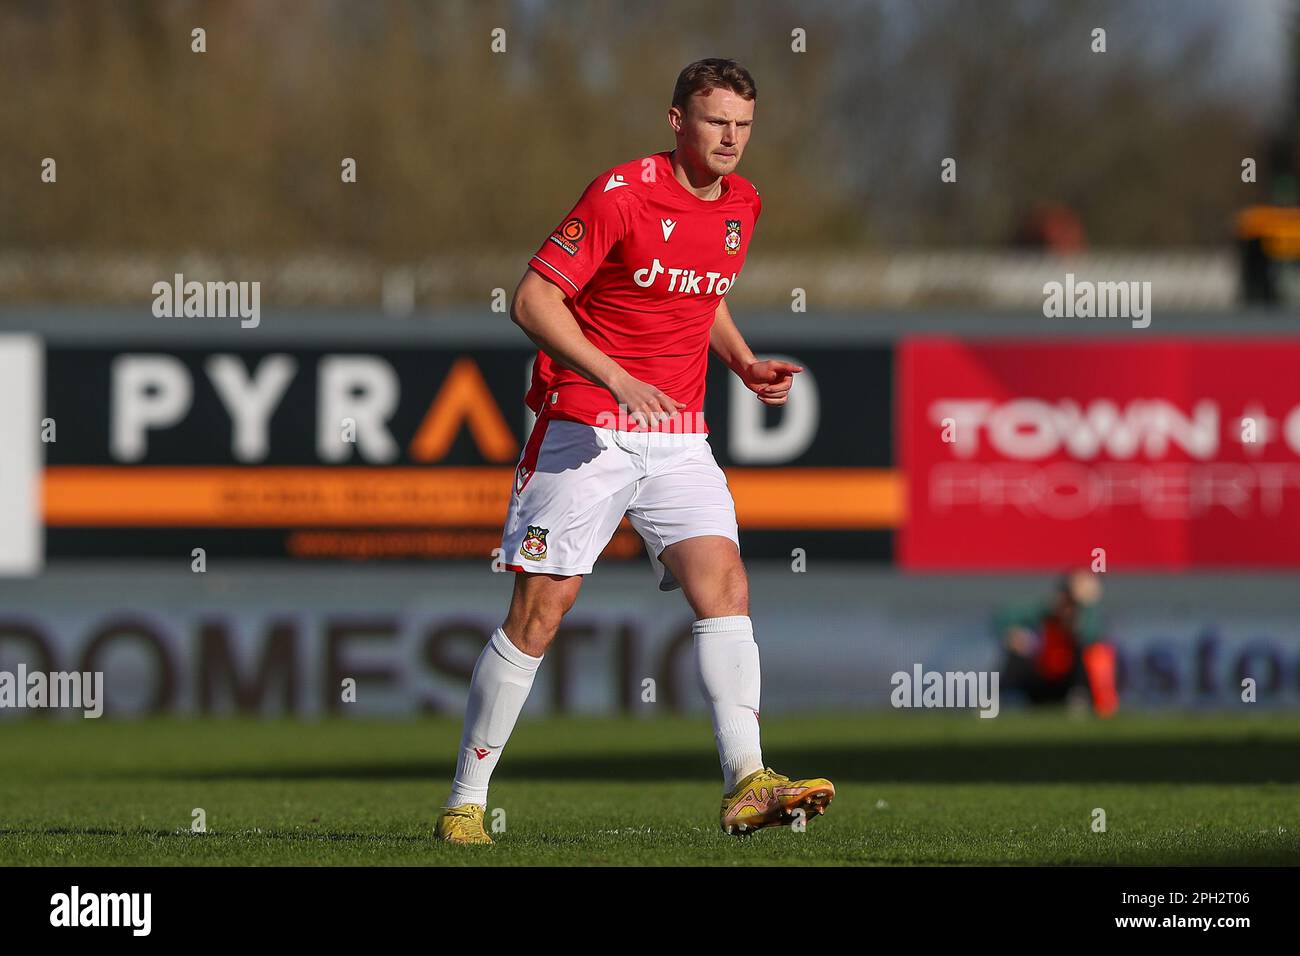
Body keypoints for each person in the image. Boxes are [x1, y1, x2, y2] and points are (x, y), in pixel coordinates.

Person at [434, 59, 834, 844]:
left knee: (724, 587)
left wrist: (743, 363)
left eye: (744, 125)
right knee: (542, 613)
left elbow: (702, 292)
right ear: (677, 120)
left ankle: (747, 780)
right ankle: (465, 802)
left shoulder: (743, 204)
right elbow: (533, 299)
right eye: (716, 121)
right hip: (587, 423)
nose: (731, 138)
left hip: (679, 433)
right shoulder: (621, 194)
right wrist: (616, 376)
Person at [996, 570, 1118, 716]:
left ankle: (1080, 701)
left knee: (1090, 653)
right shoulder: (1048, 611)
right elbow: (1004, 617)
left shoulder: (1089, 617)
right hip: (1043, 680)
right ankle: (991, 700)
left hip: (1070, 684)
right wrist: (1014, 634)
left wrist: (1081, 611)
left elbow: (1091, 635)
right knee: (1016, 657)